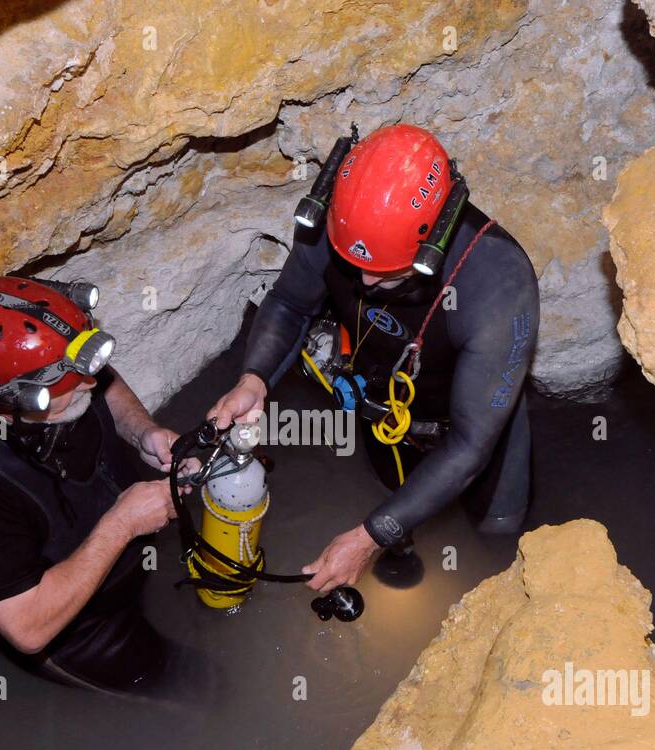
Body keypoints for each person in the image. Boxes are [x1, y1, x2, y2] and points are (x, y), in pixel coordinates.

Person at [207, 124, 540, 593]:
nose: (362, 283)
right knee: (391, 494)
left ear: (432, 245)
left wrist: (367, 538)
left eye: (384, 273)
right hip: (382, 407)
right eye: (354, 264)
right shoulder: (339, 224)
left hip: (472, 431)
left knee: (499, 534)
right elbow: (288, 303)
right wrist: (254, 380)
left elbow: (470, 446)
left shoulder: (498, 285)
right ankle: (400, 547)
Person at [0, 275, 207, 701]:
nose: (92, 384)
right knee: (201, 691)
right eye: (68, 387)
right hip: (78, 631)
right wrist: (122, 525)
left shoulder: (59, 378)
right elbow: (28, 627)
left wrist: (145, 433)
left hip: (123, 557)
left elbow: (101, 382)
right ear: (12, 404)